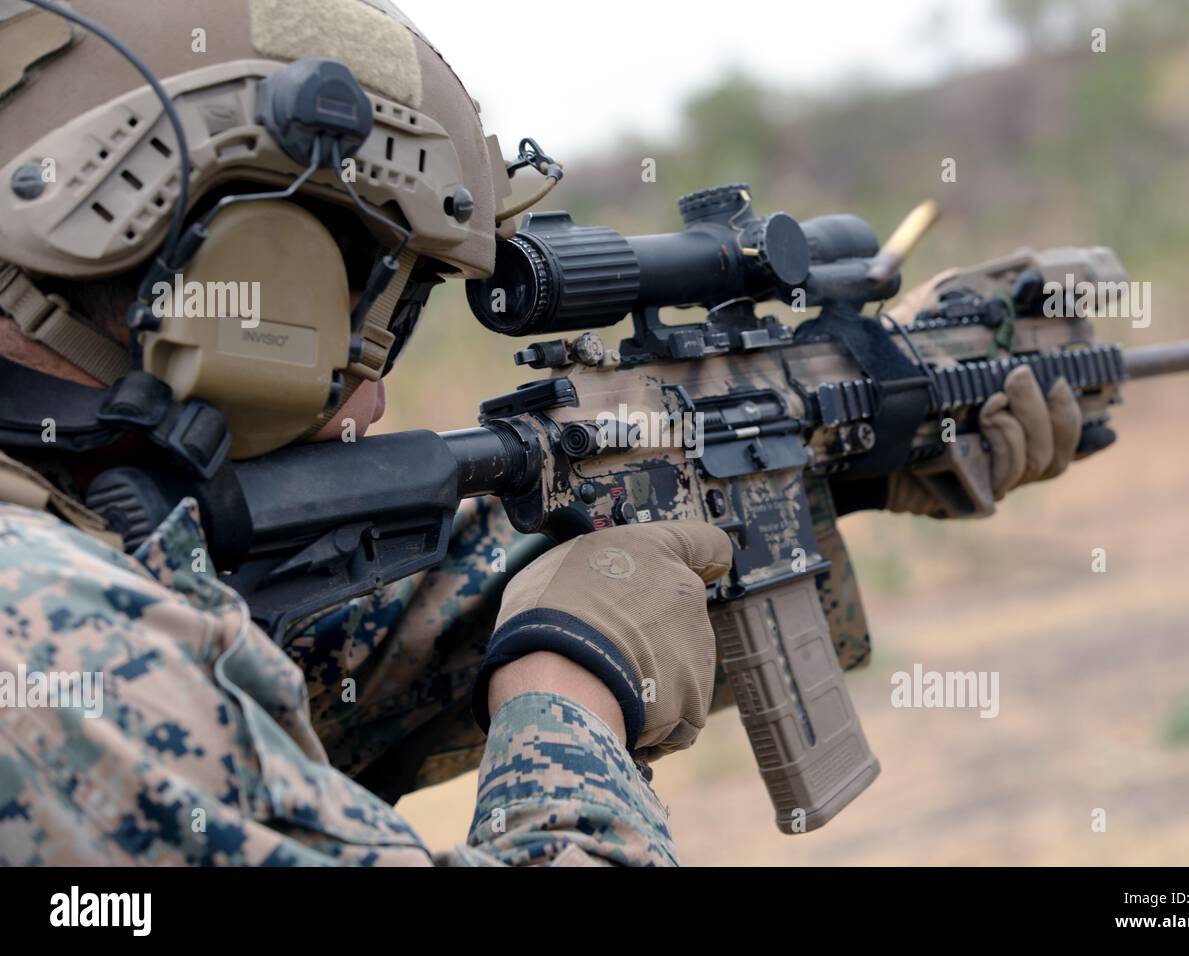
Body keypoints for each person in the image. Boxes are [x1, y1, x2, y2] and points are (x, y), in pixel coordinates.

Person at [0, 0, 1082, 866]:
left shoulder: (75, 521)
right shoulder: (55, 642)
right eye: (367, 308)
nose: (369, 398)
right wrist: (566, 689)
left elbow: (354, 638)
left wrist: (849, 444)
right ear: (236, 269)